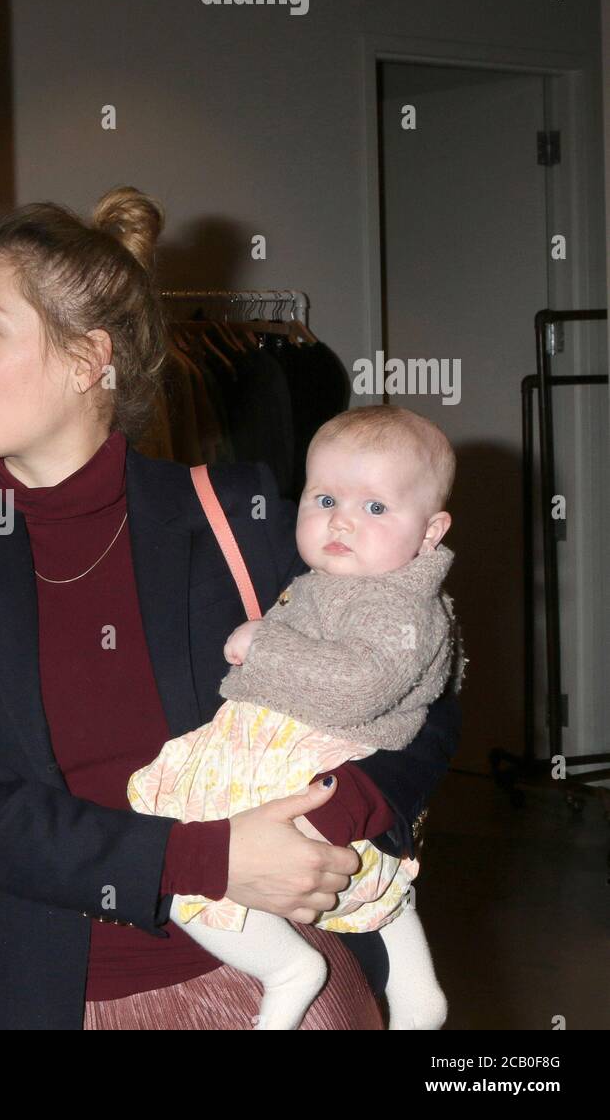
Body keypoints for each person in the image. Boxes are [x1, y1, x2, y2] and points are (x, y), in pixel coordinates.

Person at [0, 186, 461, 1030]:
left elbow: (422, 681)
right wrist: (208, 861)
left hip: (275, 992)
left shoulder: (235, 513)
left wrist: (344, 804)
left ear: (85, 358)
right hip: (42, 998)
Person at [130, 405, 461, 1030]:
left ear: (431, 530)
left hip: (307, 752)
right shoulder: (342, 580)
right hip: (292, 747)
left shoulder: (400, 603)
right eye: (325, 497)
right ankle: (417, 991)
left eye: (376, 508)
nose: (342, 520)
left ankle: (286, 968)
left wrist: (264, 643)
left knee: (179, 851)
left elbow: (362, 685)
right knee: (370, 887)